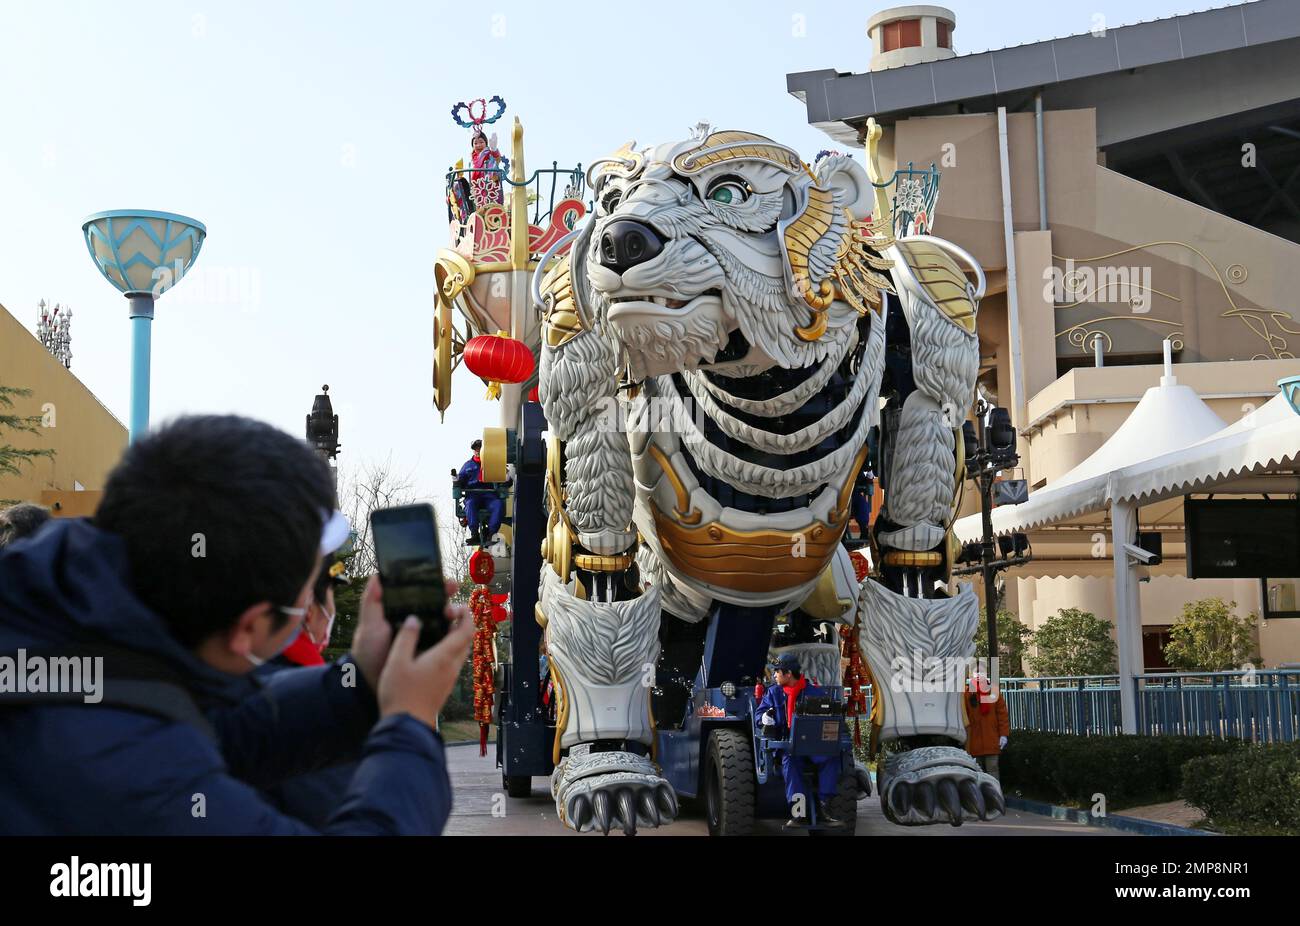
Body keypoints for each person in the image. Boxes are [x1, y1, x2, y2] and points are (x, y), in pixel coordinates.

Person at [0, 414, 474, 835]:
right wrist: (408, 724)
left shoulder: (56, 604)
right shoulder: (133, 779)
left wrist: (361, 685)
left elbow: (217, 728)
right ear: (248, 629)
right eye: (307, 590)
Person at [755, 652, 844, 828]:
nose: (774, 675)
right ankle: (798, 812)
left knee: (831, 757)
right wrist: (764, 717)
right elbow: (759, 714)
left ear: (788, 673)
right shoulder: (773, 693)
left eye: (777, 672)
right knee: (790, 760)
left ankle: (824, 808)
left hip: (813, 745)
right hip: (788, 745)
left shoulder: (815, 693)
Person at [455, 439, 504, 545]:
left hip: (489, 494)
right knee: (470, 504)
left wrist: (506, 477)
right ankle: (474, 533)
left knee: (498, 504)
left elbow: (505, 480)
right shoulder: (467, 465)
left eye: (480, 448)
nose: (478, 451)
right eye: (476, 449)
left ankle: (491, 534)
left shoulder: (492, 463)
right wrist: (457, 481)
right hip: (473, 494)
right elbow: (460, 481)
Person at [964, 673, 1010, 781]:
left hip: (991, 740)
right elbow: (963, 716)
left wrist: (1004, 734)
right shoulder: (967, 694)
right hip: (974, 742)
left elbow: (1002, 715)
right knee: (976, 772)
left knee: (992, 769)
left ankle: (994, 794)